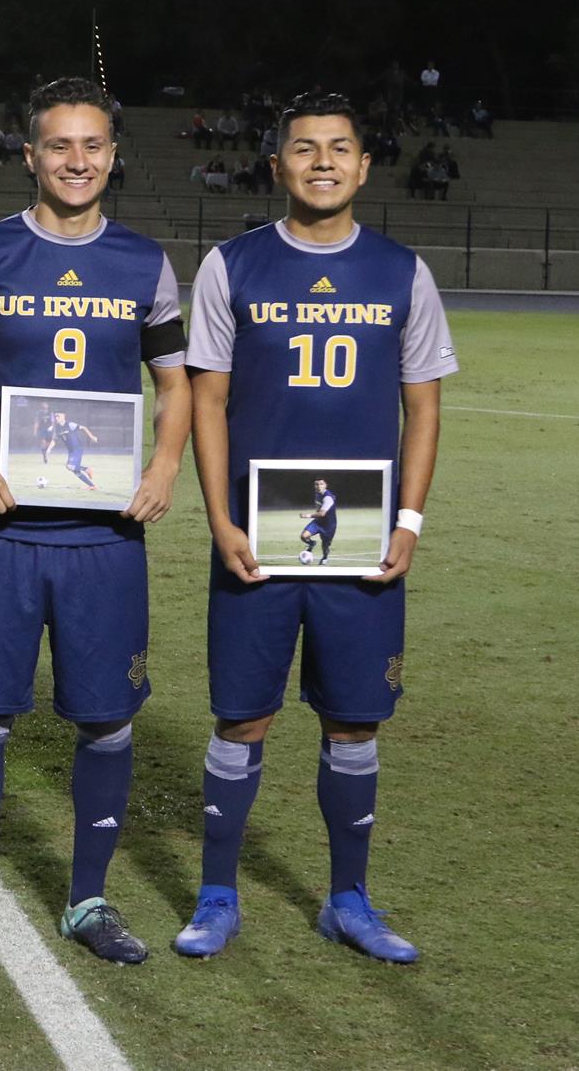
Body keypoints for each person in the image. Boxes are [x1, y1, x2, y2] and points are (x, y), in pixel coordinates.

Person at [0, 75, 190, 966]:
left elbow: (176, 383)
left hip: (104, 539)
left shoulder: (146, 263)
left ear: (113, 154)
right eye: (60, 146)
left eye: (94, 145)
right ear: (30, 156)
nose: (78, 160)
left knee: (107, 720)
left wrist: (163, 465)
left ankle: (90, 899)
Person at [173, 91, 457, 964]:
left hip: (361, 538)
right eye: (305, 148)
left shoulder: (402, 271)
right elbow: (208, 401)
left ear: (365, 165)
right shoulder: (233, 265)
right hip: (255, 539)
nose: (323, 161)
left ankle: (348, 898)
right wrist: (220, 518)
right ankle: (218, 895)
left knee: (355, 721)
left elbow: (423, 408)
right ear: (278, 165)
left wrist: (409, 519)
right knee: (243, 718)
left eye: (340, 147)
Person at [300, 478, 336, 564]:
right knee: (304, 536)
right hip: (318, 522)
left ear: (325, 485)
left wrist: (307, 515)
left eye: (321, 484)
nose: (319, 486)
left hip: (329, 526)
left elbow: (322, 514)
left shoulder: (328, 497)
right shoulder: (317, 493)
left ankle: (324, 557)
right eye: (316, 484)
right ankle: (312, 543)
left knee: (325, 546)